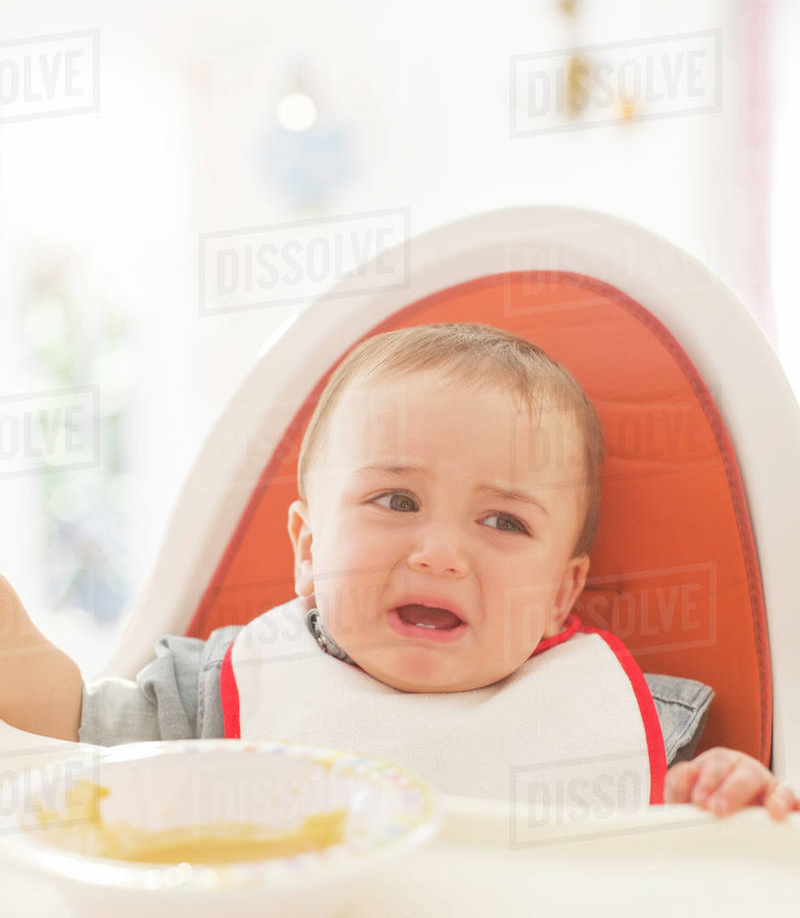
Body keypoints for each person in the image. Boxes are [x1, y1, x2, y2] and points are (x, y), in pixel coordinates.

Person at [1, 323, 794, 819]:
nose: (439, 553)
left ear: (561, 594)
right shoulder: (230, 692)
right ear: (308, 550)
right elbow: (72, 736)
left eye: (504, 521)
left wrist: (717, 795)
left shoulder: (600, 716)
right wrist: (16, 652)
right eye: (396, 500)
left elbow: (682, 867)